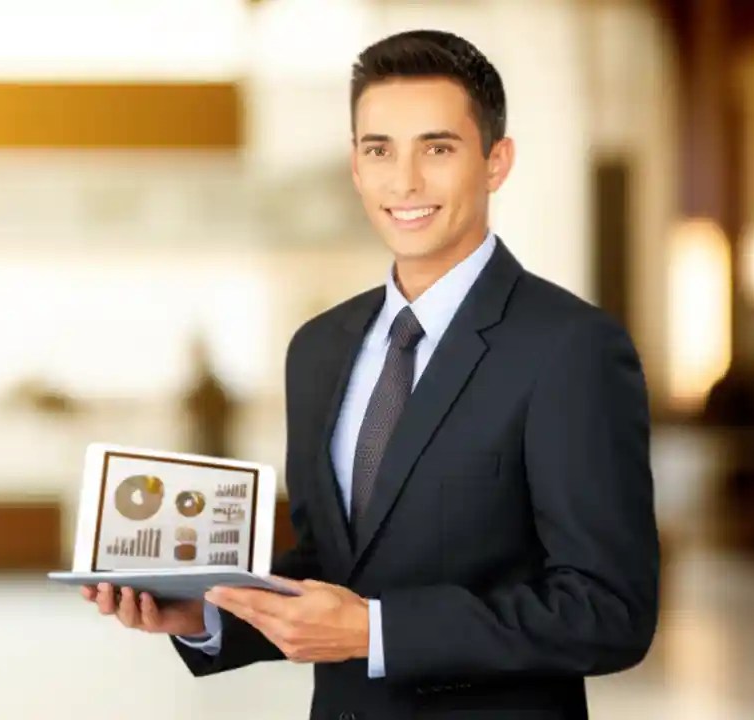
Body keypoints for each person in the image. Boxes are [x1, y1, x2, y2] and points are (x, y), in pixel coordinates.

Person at [80, 29, 659, 720]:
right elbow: (333, 565)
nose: (404, 181)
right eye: (378, 149)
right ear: (355, 166)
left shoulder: (571, 348)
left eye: (437, 149)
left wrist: (376, 631)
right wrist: (208, 613)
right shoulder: (319, 349)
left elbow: (608, 611)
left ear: (496, 162)